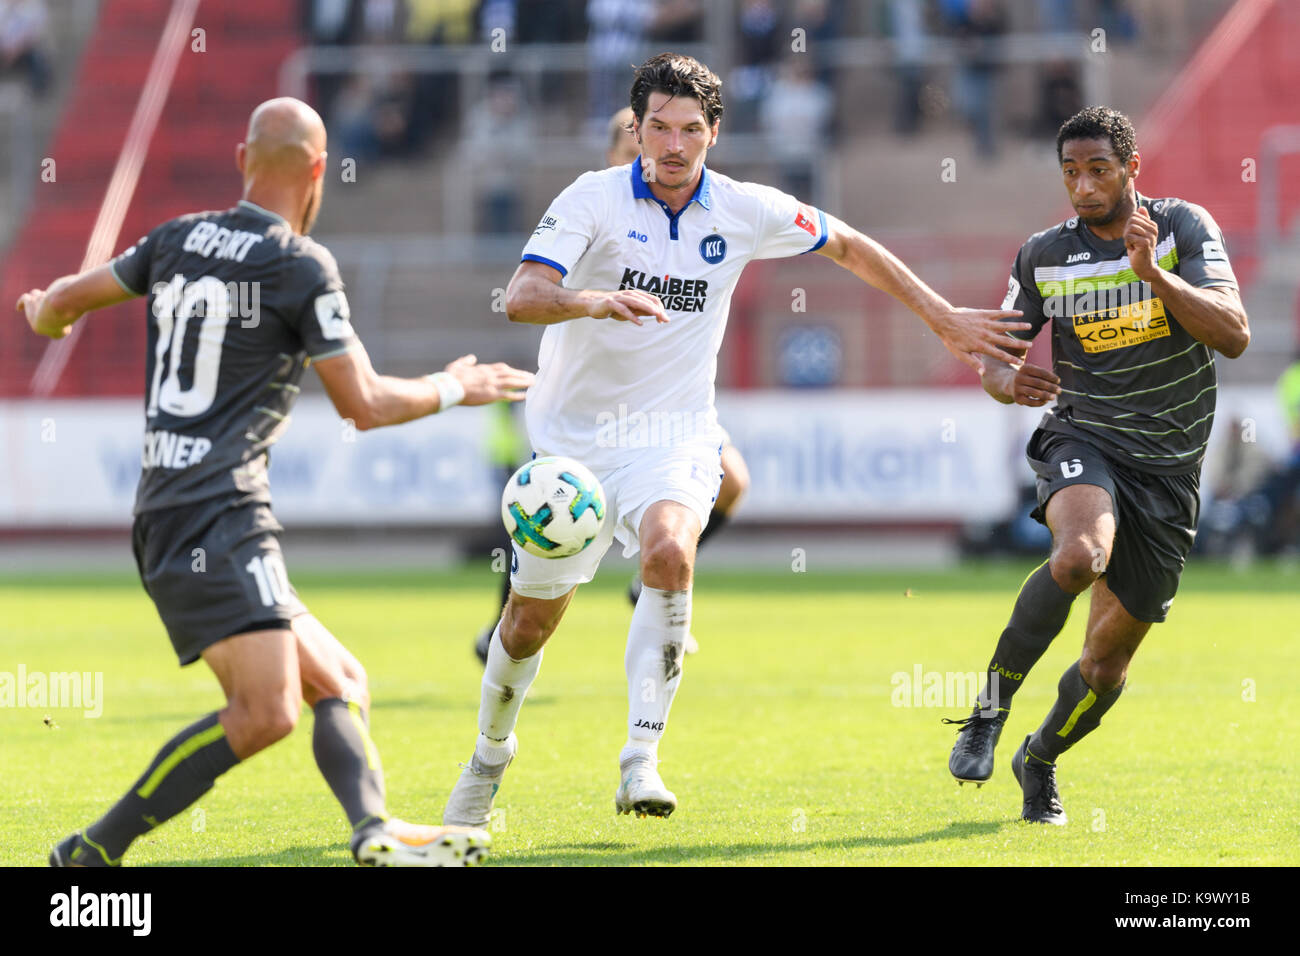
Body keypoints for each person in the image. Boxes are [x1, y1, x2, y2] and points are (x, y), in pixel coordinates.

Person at [442, 52, 1029, 829]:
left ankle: (640, 760)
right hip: (572, 445)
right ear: (638, 127)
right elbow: (521, 297)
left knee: (671, 552)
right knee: (526, 624)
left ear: (714, 133)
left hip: (675, 433)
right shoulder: (592, 198)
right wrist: (592, 301)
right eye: (658, 127)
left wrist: (944, 317)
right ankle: (489, 756)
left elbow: (849, 244)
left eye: (690, 129)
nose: (673, 144)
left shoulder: (744, 208)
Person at [20, 97, 533, 867]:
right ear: (320, 170)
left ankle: (373, 832)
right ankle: (92, 850)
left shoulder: (175, 237)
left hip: (177, 508)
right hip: (215, 515)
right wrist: (455, 386)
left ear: (241, 160)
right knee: (265, 714)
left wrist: (44, 316)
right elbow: (363, 403)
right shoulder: (298, 264)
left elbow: (60, 303)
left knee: (339, 679)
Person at [944, 106, 1249, 824]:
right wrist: (1007, 382)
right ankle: (988, 711)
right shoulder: (1044, 254)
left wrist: (1155, 278)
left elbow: (1233, 334)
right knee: (1081, 554)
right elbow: (996, 359)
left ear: (1133, 168)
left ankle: (1039, 757)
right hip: (1087, 435)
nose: (1082, 187)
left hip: (1171, 469)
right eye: (1070, 173)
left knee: (1106, 668)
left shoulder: (1181, 229)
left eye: (1099, 170)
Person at [607, 105, 750, 655]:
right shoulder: (600, 206)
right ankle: (501, 626)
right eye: (641, 143)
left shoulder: (695, 209)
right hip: (603, 399)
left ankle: (654, 580)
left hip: (673, 401)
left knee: (731, 483)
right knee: (552, 512)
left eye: (685, 134)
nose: (664, 153)